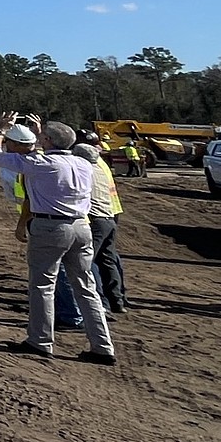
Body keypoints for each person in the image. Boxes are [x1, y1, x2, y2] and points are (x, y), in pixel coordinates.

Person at [0, 118, 116, 364]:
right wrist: (40, 135)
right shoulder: (84, 163)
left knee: (43, 286)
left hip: (50, 227)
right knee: (86, 288)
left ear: (46, 142)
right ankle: (102, 345)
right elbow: (52, 155)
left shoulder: (39, 162)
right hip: (82, 227)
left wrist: (0, 130)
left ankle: (40, 341)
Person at [74, 134, 128, 313]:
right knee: (108, 260)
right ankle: (117, 301)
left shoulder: (83, 171)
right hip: (109, 217)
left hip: (95, 220)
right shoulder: (101, 166)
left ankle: (101, 304)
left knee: (87, 263)